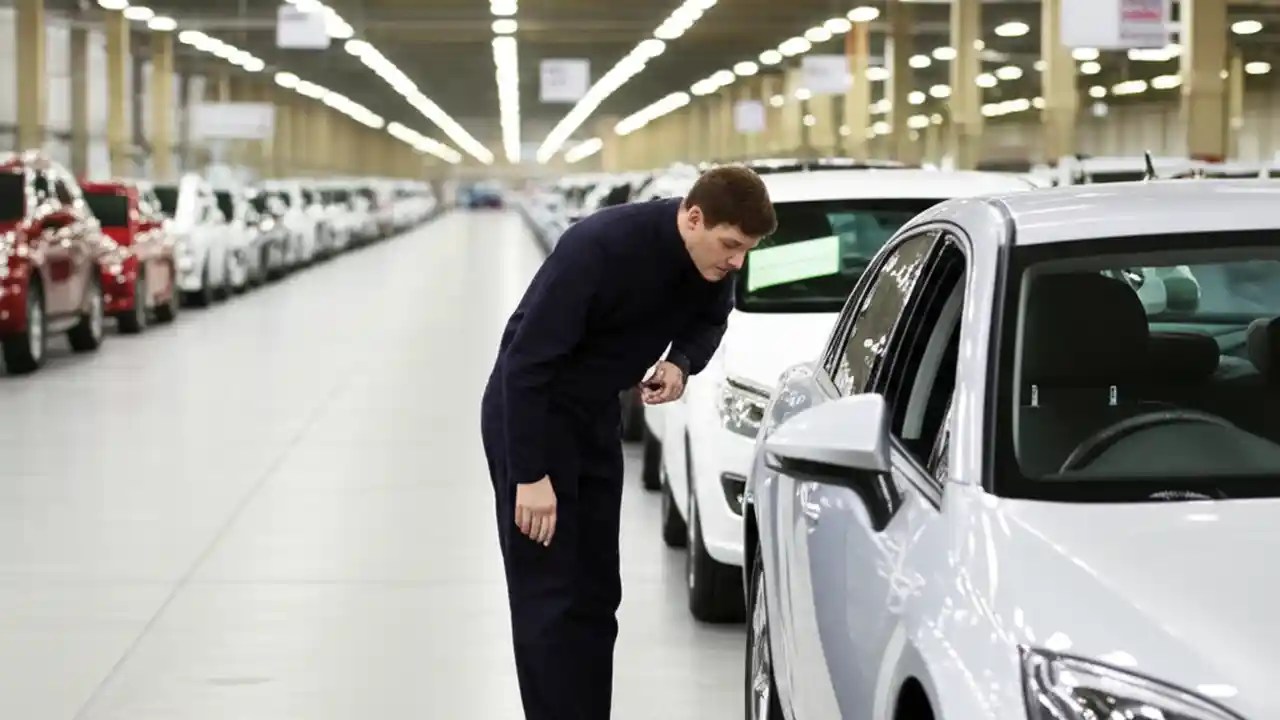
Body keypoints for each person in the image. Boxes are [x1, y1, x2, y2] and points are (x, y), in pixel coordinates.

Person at [480, 165, 777, 719]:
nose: (737, 262)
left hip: (594, 416)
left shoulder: (712, 265)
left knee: (596, 592)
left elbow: (712, 321)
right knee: (549, 596)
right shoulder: (598, 246)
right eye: (731, 246)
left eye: (746, 250)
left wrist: (682, 362)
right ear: (694, 219)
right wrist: (530, 475)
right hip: (532, 417)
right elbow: (524, 366)